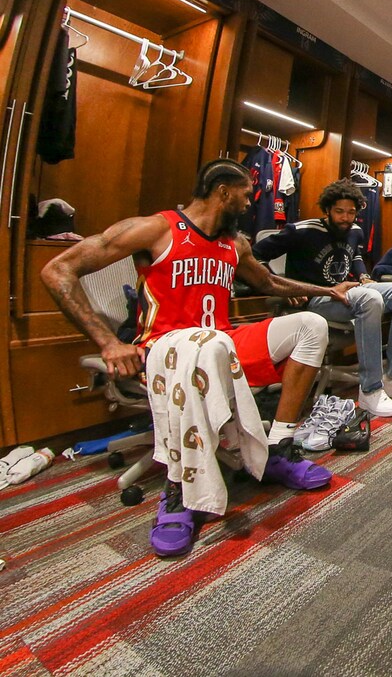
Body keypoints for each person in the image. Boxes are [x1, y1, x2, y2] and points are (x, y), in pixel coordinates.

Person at [40, 159, 353, 556]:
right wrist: (107, 341)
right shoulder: (156, 229)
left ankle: (277, 448)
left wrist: (326, 292)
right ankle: (180, 487)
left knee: (311, 325)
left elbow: (269, 282)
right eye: (245, 196)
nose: (249, 205)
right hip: (166, 348)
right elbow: (58, 270)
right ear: (223, 191)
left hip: (220, 342)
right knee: (202, 345)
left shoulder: (234, 244)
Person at [253, 178, 392, 419]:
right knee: (370, 299)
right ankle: (370, 390)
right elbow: (255, 257)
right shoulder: (302, 231)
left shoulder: (355, 231)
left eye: (351, 212)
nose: (346, 218)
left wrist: (364, 276)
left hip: (346, 292)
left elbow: (354, 255)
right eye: (339, 212)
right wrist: (284, 288)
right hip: (315, 299)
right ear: (327, 210)